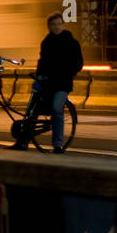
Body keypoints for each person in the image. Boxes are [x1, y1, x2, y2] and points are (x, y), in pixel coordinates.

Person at [22, 13, 83, 153]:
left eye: (59, 24)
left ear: (63, 25)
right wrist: (39, 74)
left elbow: (78, 63)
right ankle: (23, 141)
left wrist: (67, 73)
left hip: (62, 83)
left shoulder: (72, 43)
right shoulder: (46, 42)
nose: (56, 27)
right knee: (31, 111)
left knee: (57, 109)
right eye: (53, 24)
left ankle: (57, 144)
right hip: (47, 83)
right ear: (49, 27)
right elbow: (42, 61)